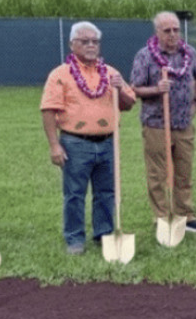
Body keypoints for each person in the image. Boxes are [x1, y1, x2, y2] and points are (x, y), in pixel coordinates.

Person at [40, 22, 137, 254]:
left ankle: (103, 234)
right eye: (85, 41)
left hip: (107, 141)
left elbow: (130, 103)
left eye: (95, 41)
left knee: (106, 192)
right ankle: (75, 239)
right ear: (73, 44)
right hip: (75, 143)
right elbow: (48, 110)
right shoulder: (60, 75)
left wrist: (120, 90)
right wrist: (54, 145)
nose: (91, 45)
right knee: (74, 194)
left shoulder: (111, 73)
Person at [129, 11, 196, 233]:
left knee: (184, 171)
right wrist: (156, 89)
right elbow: (134, 89)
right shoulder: (145, 56)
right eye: (167, 30)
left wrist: (195, 102)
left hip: (184, 124)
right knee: (158, 174)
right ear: (157, 32)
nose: (172, 34)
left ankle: (185, 215)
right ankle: (162, 217)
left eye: (175, 30)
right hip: (156, 124)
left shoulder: (189, 53)